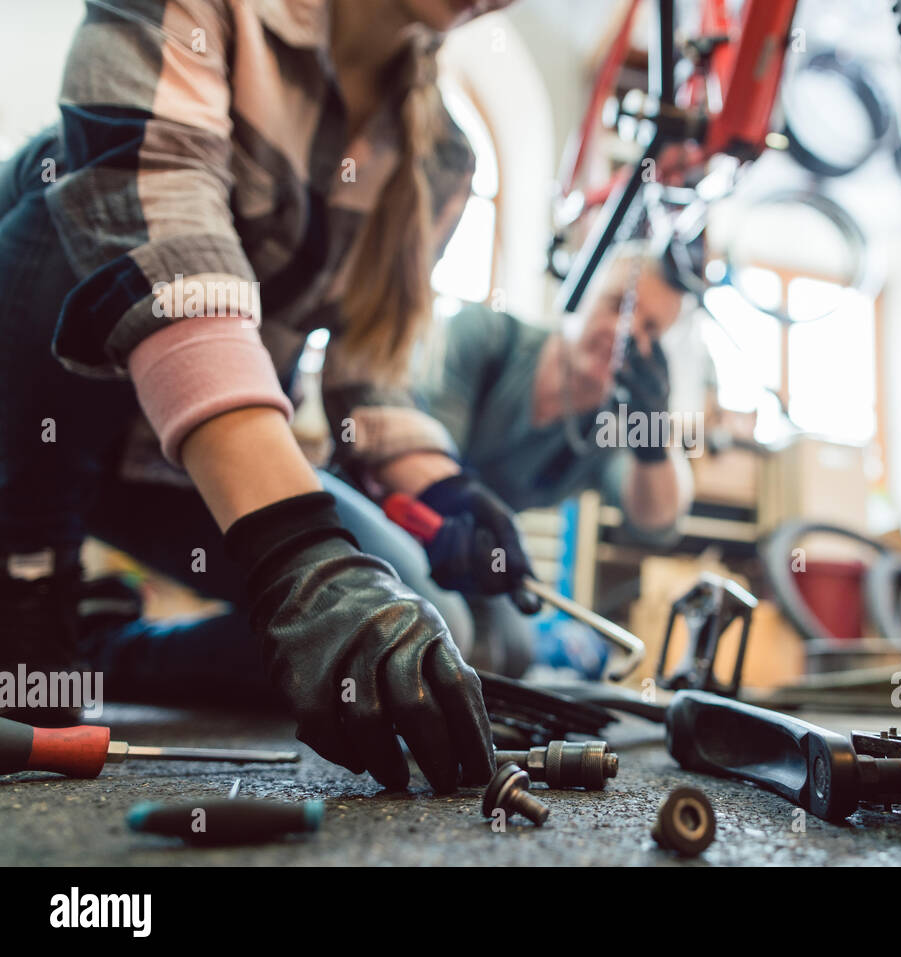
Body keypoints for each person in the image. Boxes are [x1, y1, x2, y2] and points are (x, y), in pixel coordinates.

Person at [0, 0, 526, 794]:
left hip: (184, 459)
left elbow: (369, 367)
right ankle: (30, 576)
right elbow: (159, 249)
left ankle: (113, 646)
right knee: (70, 210)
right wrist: (293, 547)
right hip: (36, 414)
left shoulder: (444, 159)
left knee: (390, 631)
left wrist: (443, 485)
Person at [404, 248, 697, 673]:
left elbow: (657, 522)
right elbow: (419, 460)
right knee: (447, 633)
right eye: (618, 304)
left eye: (651, 328)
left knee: (514, 656)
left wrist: (653, 435)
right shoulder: (484, 337)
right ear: (586, 292)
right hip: (408, 522)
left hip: (477, 560)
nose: (625, 332)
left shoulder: (608, 428)